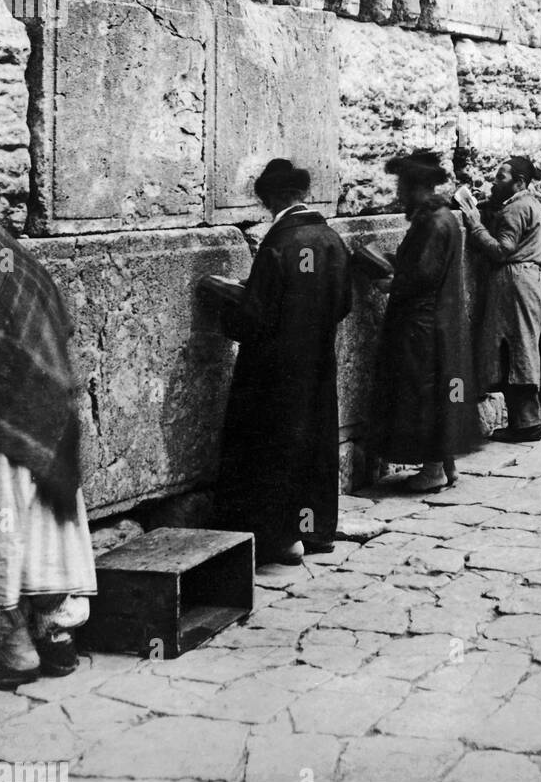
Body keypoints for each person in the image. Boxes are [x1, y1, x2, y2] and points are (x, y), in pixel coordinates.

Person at [0, 207, 96, 689]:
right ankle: (56, 637)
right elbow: (61, 332)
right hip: (46, 428)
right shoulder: (29, 268)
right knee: (45, 534)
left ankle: (17, 649)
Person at [203, 160, 351, 567]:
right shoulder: (331, 239)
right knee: (312, 444)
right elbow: (342, 303)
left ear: (271, 197)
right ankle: (314, 530)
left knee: (273, 448)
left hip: (274, 369)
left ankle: (281, 538)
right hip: (317, 362)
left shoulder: (278, 245)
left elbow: (257, 317)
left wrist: (228, 300)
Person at [371, 150, 478, 493]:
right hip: (435, 321)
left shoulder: (431, 222)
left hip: (422, 325)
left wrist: (390, 281)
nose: (399, 194)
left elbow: (422, 275)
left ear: (417, 187)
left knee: (423, 393)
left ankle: (432, 468)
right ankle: (446, 464)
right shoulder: (443, 218)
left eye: (402, 186)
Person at [456, 157, 541, 443]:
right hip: (526, 281)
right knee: (521, 348)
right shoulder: (528, 203)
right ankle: (527, 420)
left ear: (518, 182)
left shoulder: (516, 210)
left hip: (514, 284)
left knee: (514, 351)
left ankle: (526, 424)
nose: (494, 182)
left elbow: (501, 249)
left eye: (500, 178)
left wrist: (475, 225)